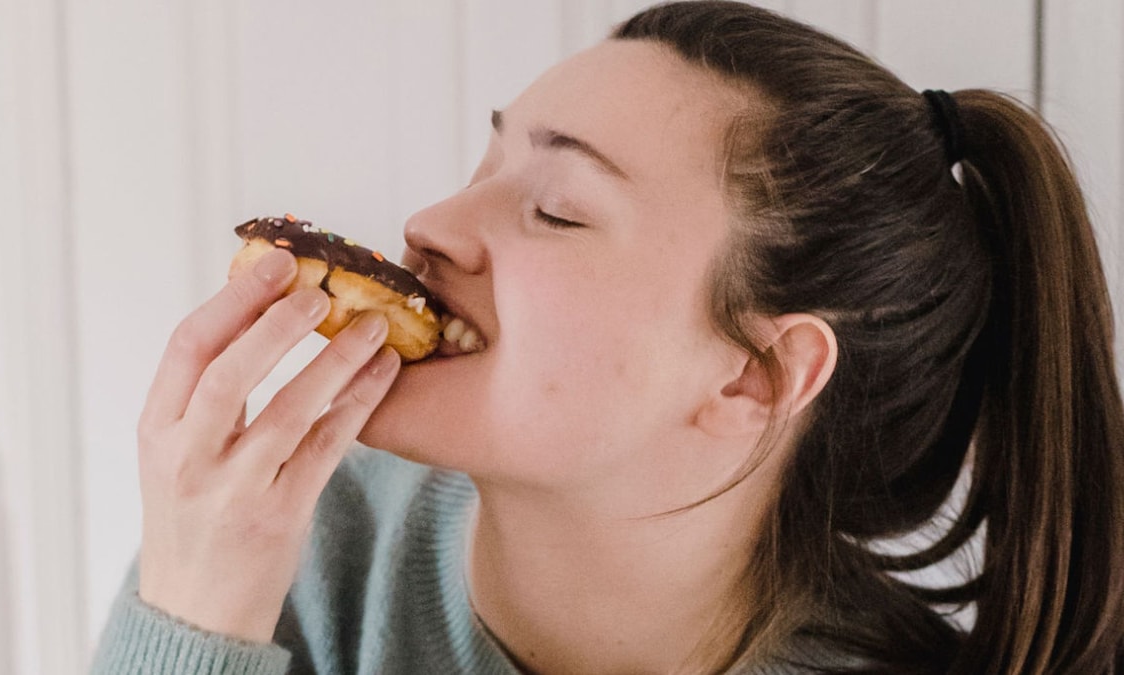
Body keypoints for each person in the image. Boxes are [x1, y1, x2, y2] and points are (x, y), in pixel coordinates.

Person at [91, 1, 1124, 673]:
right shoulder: (303, 546)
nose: (432, 226)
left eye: (557, 209)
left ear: (754, 377)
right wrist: (194, 616)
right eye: (485, 163)